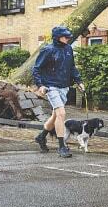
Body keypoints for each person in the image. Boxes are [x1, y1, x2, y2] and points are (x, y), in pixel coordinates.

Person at [32, 26, 84, 158]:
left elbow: (72, 67)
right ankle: (62, 147)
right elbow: (36, 69)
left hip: (64, 87)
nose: (68, 39)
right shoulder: (48, 50)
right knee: (61, 113)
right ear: (57, 37)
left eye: (68, 37)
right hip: (51, 86)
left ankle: (41, 136)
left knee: (56, 115)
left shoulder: (68, 49)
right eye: (65, 37)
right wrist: (41, 85)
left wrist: (79, 81)